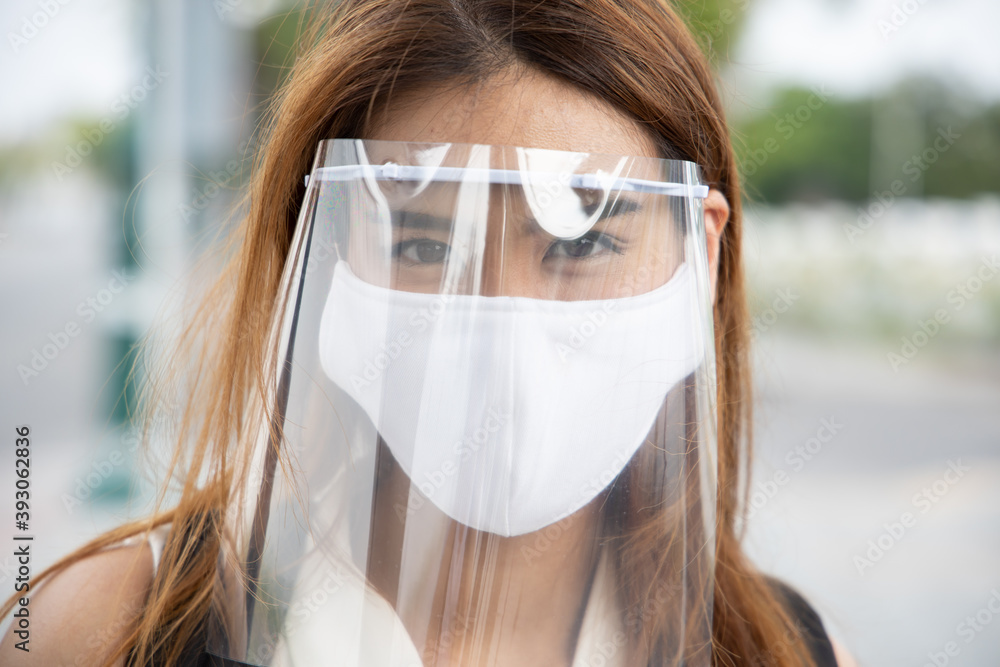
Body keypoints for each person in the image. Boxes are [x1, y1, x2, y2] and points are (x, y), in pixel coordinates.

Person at [1, 1, 857, 665]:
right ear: (326, 255)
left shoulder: (785, 651)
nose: (504, 322)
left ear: (700, 257)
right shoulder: (102, 631)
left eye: (583, 243)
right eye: (423, 244)